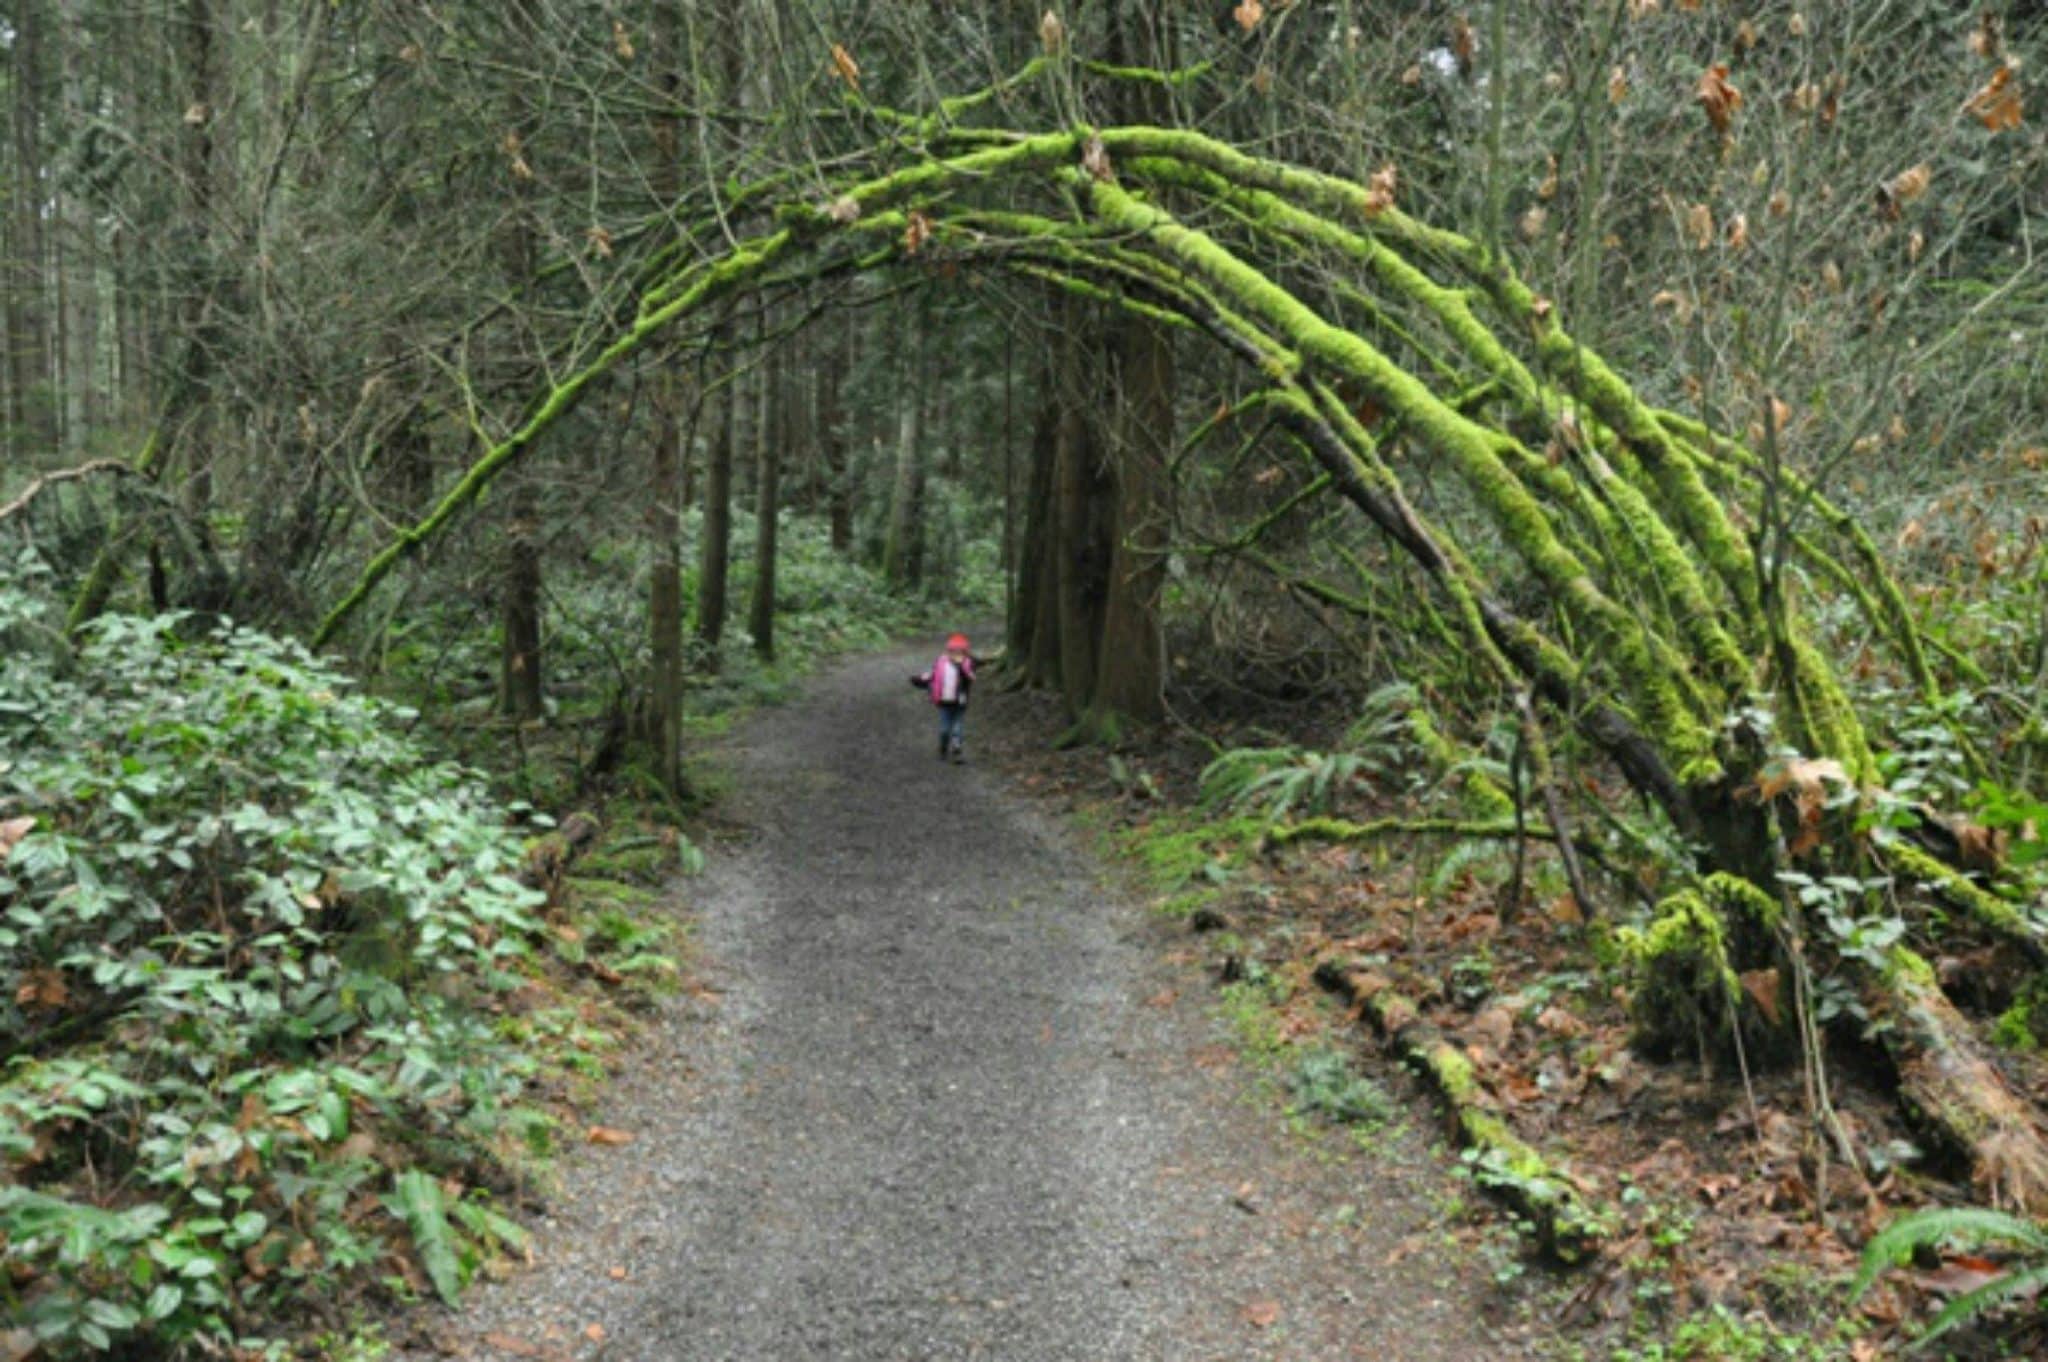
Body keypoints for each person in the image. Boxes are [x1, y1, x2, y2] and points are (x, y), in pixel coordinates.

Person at [911, 633, 975, 763]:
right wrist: (919, 680)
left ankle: (957, 751)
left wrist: (960, 668)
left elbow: (969, 679)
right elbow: (931, 676)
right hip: (944, 702)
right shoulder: (940, 662)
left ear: (965, 652)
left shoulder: (968, 664)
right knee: (945, 729)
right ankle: (943, 749)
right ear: (948, 651)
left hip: (959, 702)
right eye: (954, 651)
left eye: (960, 651)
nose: (957, 654)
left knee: (957, 728)